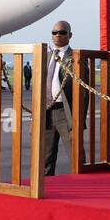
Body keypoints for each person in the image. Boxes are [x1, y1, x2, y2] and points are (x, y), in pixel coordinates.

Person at [41, 20, 78, 176]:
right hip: (47, 111)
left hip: (65, 112)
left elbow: (82, 93)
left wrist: (77, 120)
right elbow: (39, 86)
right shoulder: (46, 56)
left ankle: (83, 189)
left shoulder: (75, 57)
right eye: (54, 32)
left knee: (76, 155)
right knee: (46, 158)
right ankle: (48, 191)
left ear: (70, 35)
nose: (58, 35)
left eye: (62, 32)